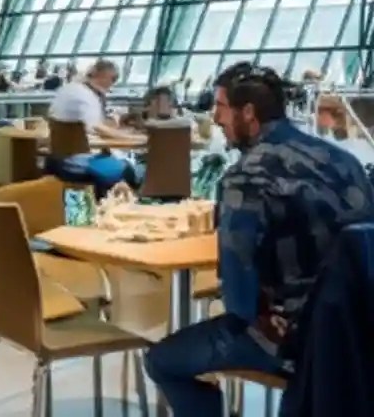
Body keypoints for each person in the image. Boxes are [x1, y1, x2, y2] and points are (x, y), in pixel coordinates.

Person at [144, 63, 374, 417]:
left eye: (220, 108)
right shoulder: (346, 162)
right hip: (361, 331)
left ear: (247, 113)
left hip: (295, 343)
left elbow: (240, 302)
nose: (216, 118)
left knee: (163, 360)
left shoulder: (247, 178)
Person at [47, 59, 140, 194]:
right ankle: (111, 207)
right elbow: (97, 128)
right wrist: (131, 137)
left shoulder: (67, 89)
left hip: (56, 160)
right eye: (113, 79)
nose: (112, 84)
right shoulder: (87, 96)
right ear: (106, 77)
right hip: (79, 163)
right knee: (129, 170)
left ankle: (90, 206)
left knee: (115, 162)